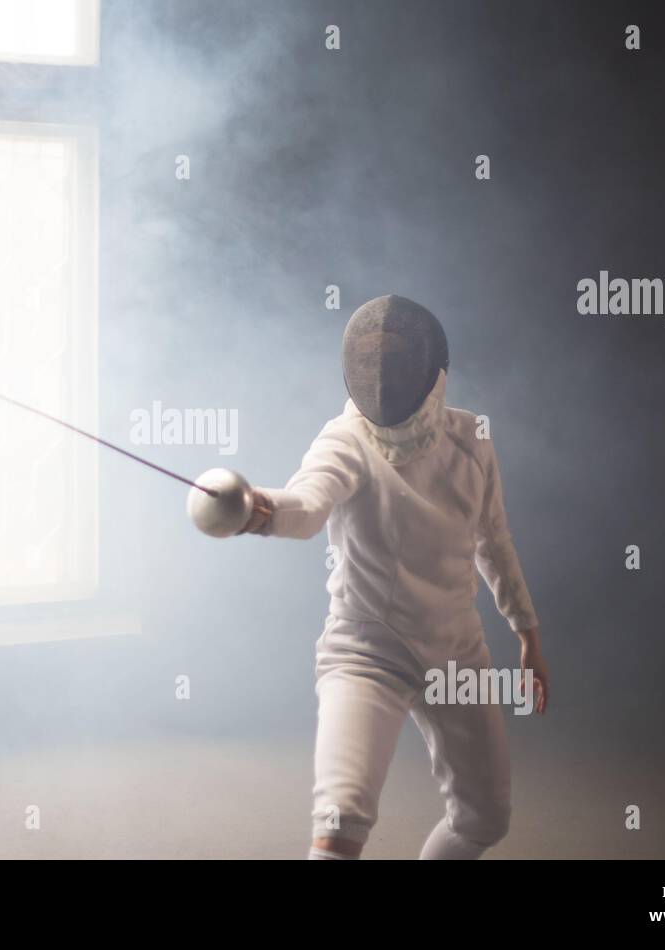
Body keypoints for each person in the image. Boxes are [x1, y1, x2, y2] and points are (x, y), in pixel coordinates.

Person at [239, 294, 549, 860]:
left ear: (435, 370)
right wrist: (260, 510)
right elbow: (306, 506)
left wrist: (526, 630)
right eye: (370, 357)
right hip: (366, 654)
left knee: (484, 819)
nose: (382, 373)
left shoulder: (472, 438)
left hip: (456, 654)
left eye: (397, 356)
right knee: (339, 822)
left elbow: (493, 540)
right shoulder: (346, 438)